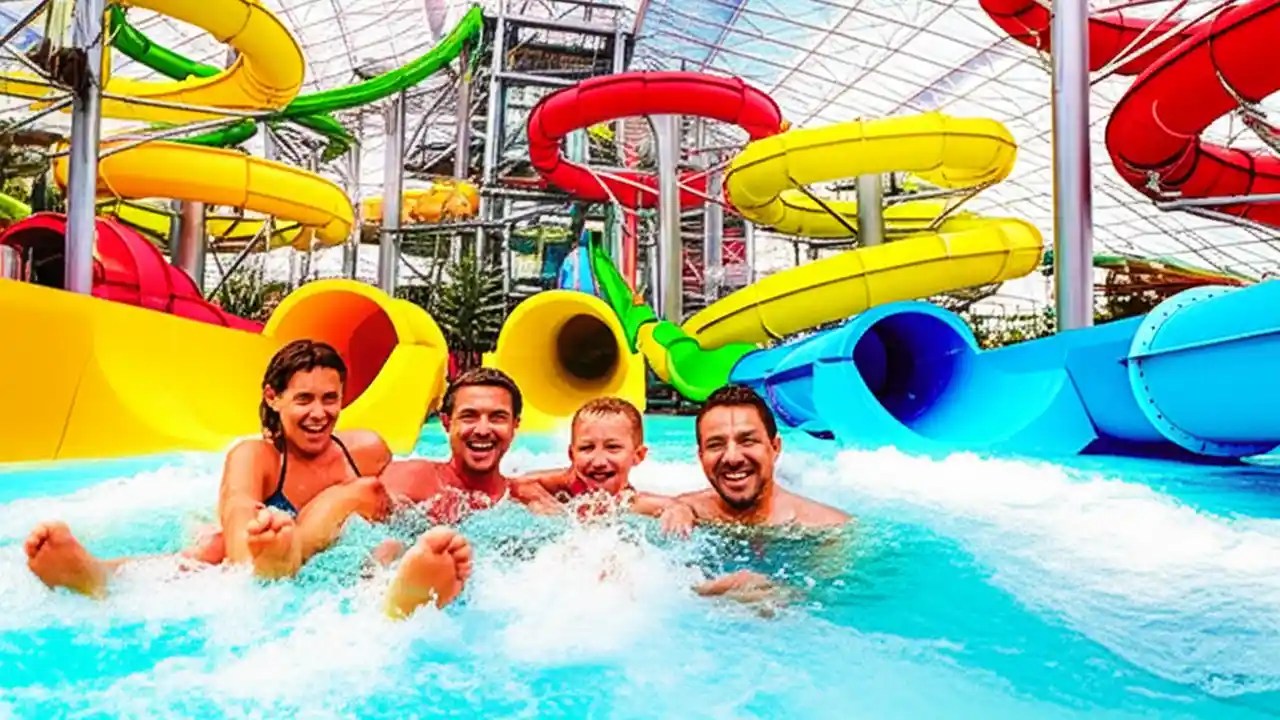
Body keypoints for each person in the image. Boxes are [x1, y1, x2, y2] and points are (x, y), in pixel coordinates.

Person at [23, 339, 469, 608]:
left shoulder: (365, 450)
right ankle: (96, 576)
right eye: (304, 400)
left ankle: (390, 597)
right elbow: (237, 513)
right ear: (273, 398)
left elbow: (400, 501)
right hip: (258, 559)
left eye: (330, 399)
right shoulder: (258, 457)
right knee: (210, 547)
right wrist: (258, 553)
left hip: (331, 555)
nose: (319, 413)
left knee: (381, 530)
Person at [656, 384, 851, 601]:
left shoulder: (828, 530)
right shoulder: (688, 510)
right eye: (715, 444)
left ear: (774, 447)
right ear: (701, 456)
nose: (732, 457)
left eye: (747, 441)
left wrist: (774, 596)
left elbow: (827, 602)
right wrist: (678, 507)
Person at [513, 396, 673, 518]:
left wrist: (680, 512)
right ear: (571, 455)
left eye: (613, 447)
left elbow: (677, 507)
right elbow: (515, 485)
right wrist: (543, 504)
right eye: (586, 448)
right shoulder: (564, 486)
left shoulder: (633, 503)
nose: (599, 462)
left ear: (638, 456)